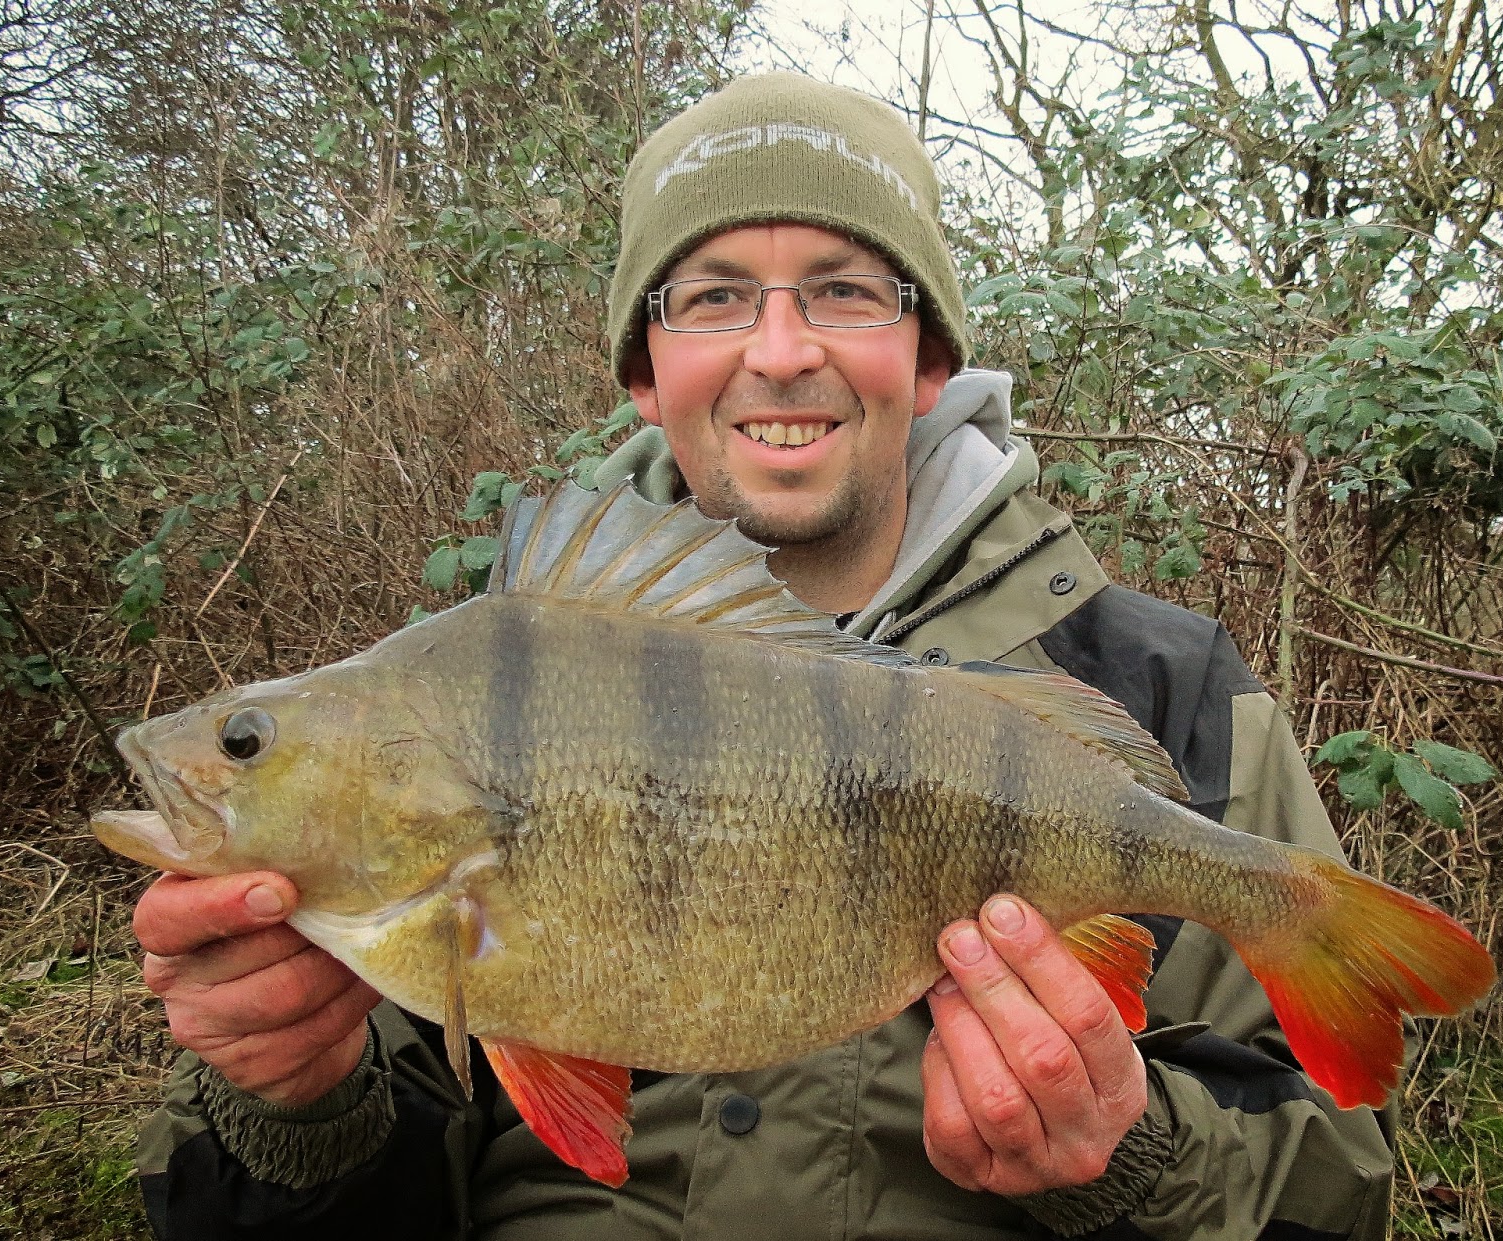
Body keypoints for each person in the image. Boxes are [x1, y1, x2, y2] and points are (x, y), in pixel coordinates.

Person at [132, 73, 1398, 1240]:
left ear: (929, 351)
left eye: (845, 288)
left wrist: (1130, 1154)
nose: (780, 349)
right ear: (647, 366)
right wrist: (293, 1106)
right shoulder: (465, 708)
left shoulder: (1164, 689)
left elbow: (1343, 1192)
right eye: (715, 294)